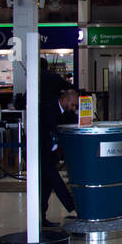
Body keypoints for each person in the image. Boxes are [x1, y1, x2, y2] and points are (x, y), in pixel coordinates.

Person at [40, 87, 79, 226]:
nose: (73, 107)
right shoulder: (49, 109)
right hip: (42, 152)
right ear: (65, 100)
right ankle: (73, 206)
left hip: (51, 153)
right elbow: (53, 130)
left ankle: (41, 217)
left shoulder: (65, 113)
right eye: (73, 104)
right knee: (55, 181)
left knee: (47, 186)